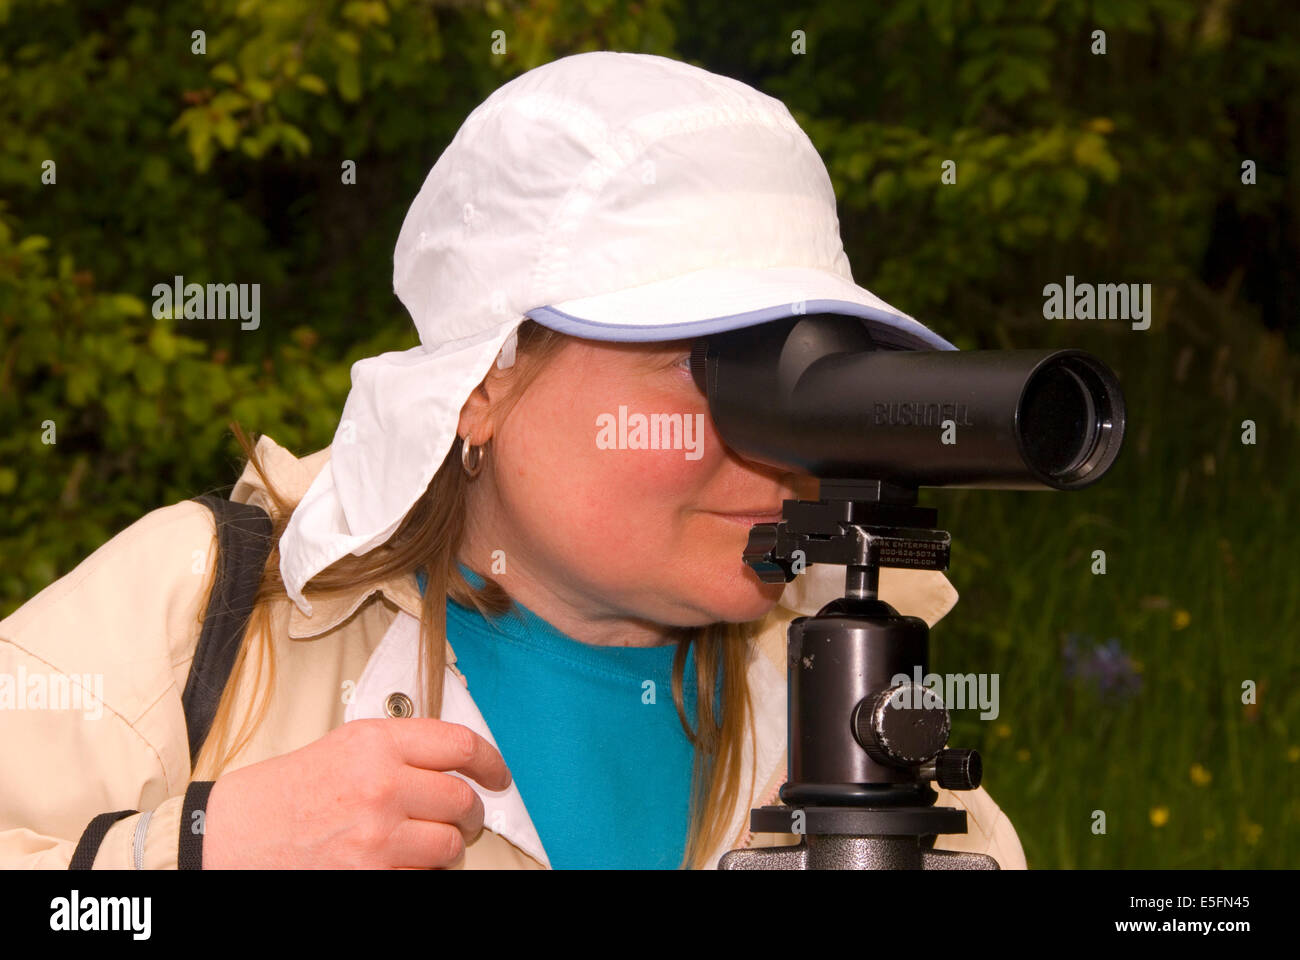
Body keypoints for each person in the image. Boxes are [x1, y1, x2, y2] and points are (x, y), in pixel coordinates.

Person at [0, 51, 1026, 870]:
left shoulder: (857, 706)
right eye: (707, 367)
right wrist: (183, 854)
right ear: (482, 381)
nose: (775, 446)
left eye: (804, 373)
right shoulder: (204, 614)